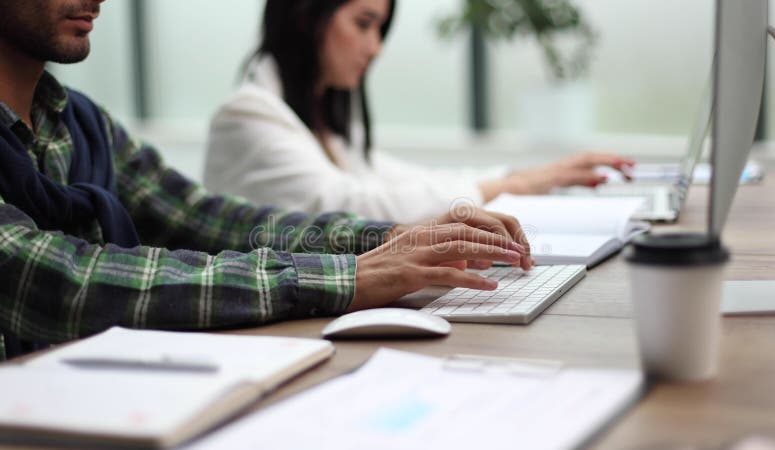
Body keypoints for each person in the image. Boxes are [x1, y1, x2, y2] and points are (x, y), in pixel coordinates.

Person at [0, 0, 533, 360]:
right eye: (363, 22)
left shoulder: (80, 122)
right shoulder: (250, 111)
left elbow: (207, 217)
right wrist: (343, 276)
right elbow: (63, 281)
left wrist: (387, 240)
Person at [203, 0, 636, 223]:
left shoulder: (324, 122)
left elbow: (404, 179)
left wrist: (525, 178)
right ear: (306, 15)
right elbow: (351, 206)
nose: (376, 48)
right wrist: (513, 184)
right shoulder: (246, 116)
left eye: (380, 28)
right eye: (363, 23)